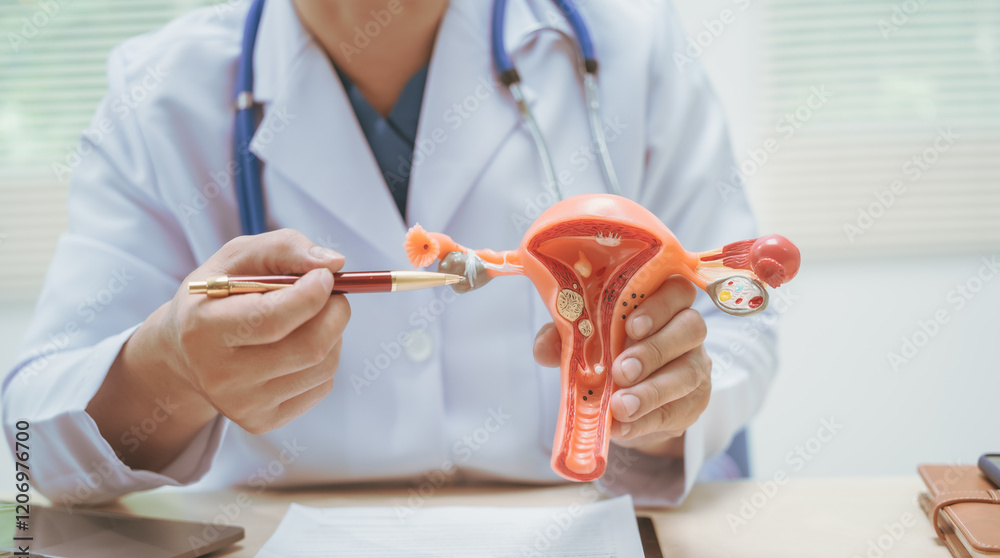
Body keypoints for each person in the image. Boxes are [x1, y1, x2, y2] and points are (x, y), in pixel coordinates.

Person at [1, 0, 776, 506]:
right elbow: (34, 428)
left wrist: (664, 398)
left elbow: (738, 322)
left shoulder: (628, 44)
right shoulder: (159, 94)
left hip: (578, 548)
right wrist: (171, 369)